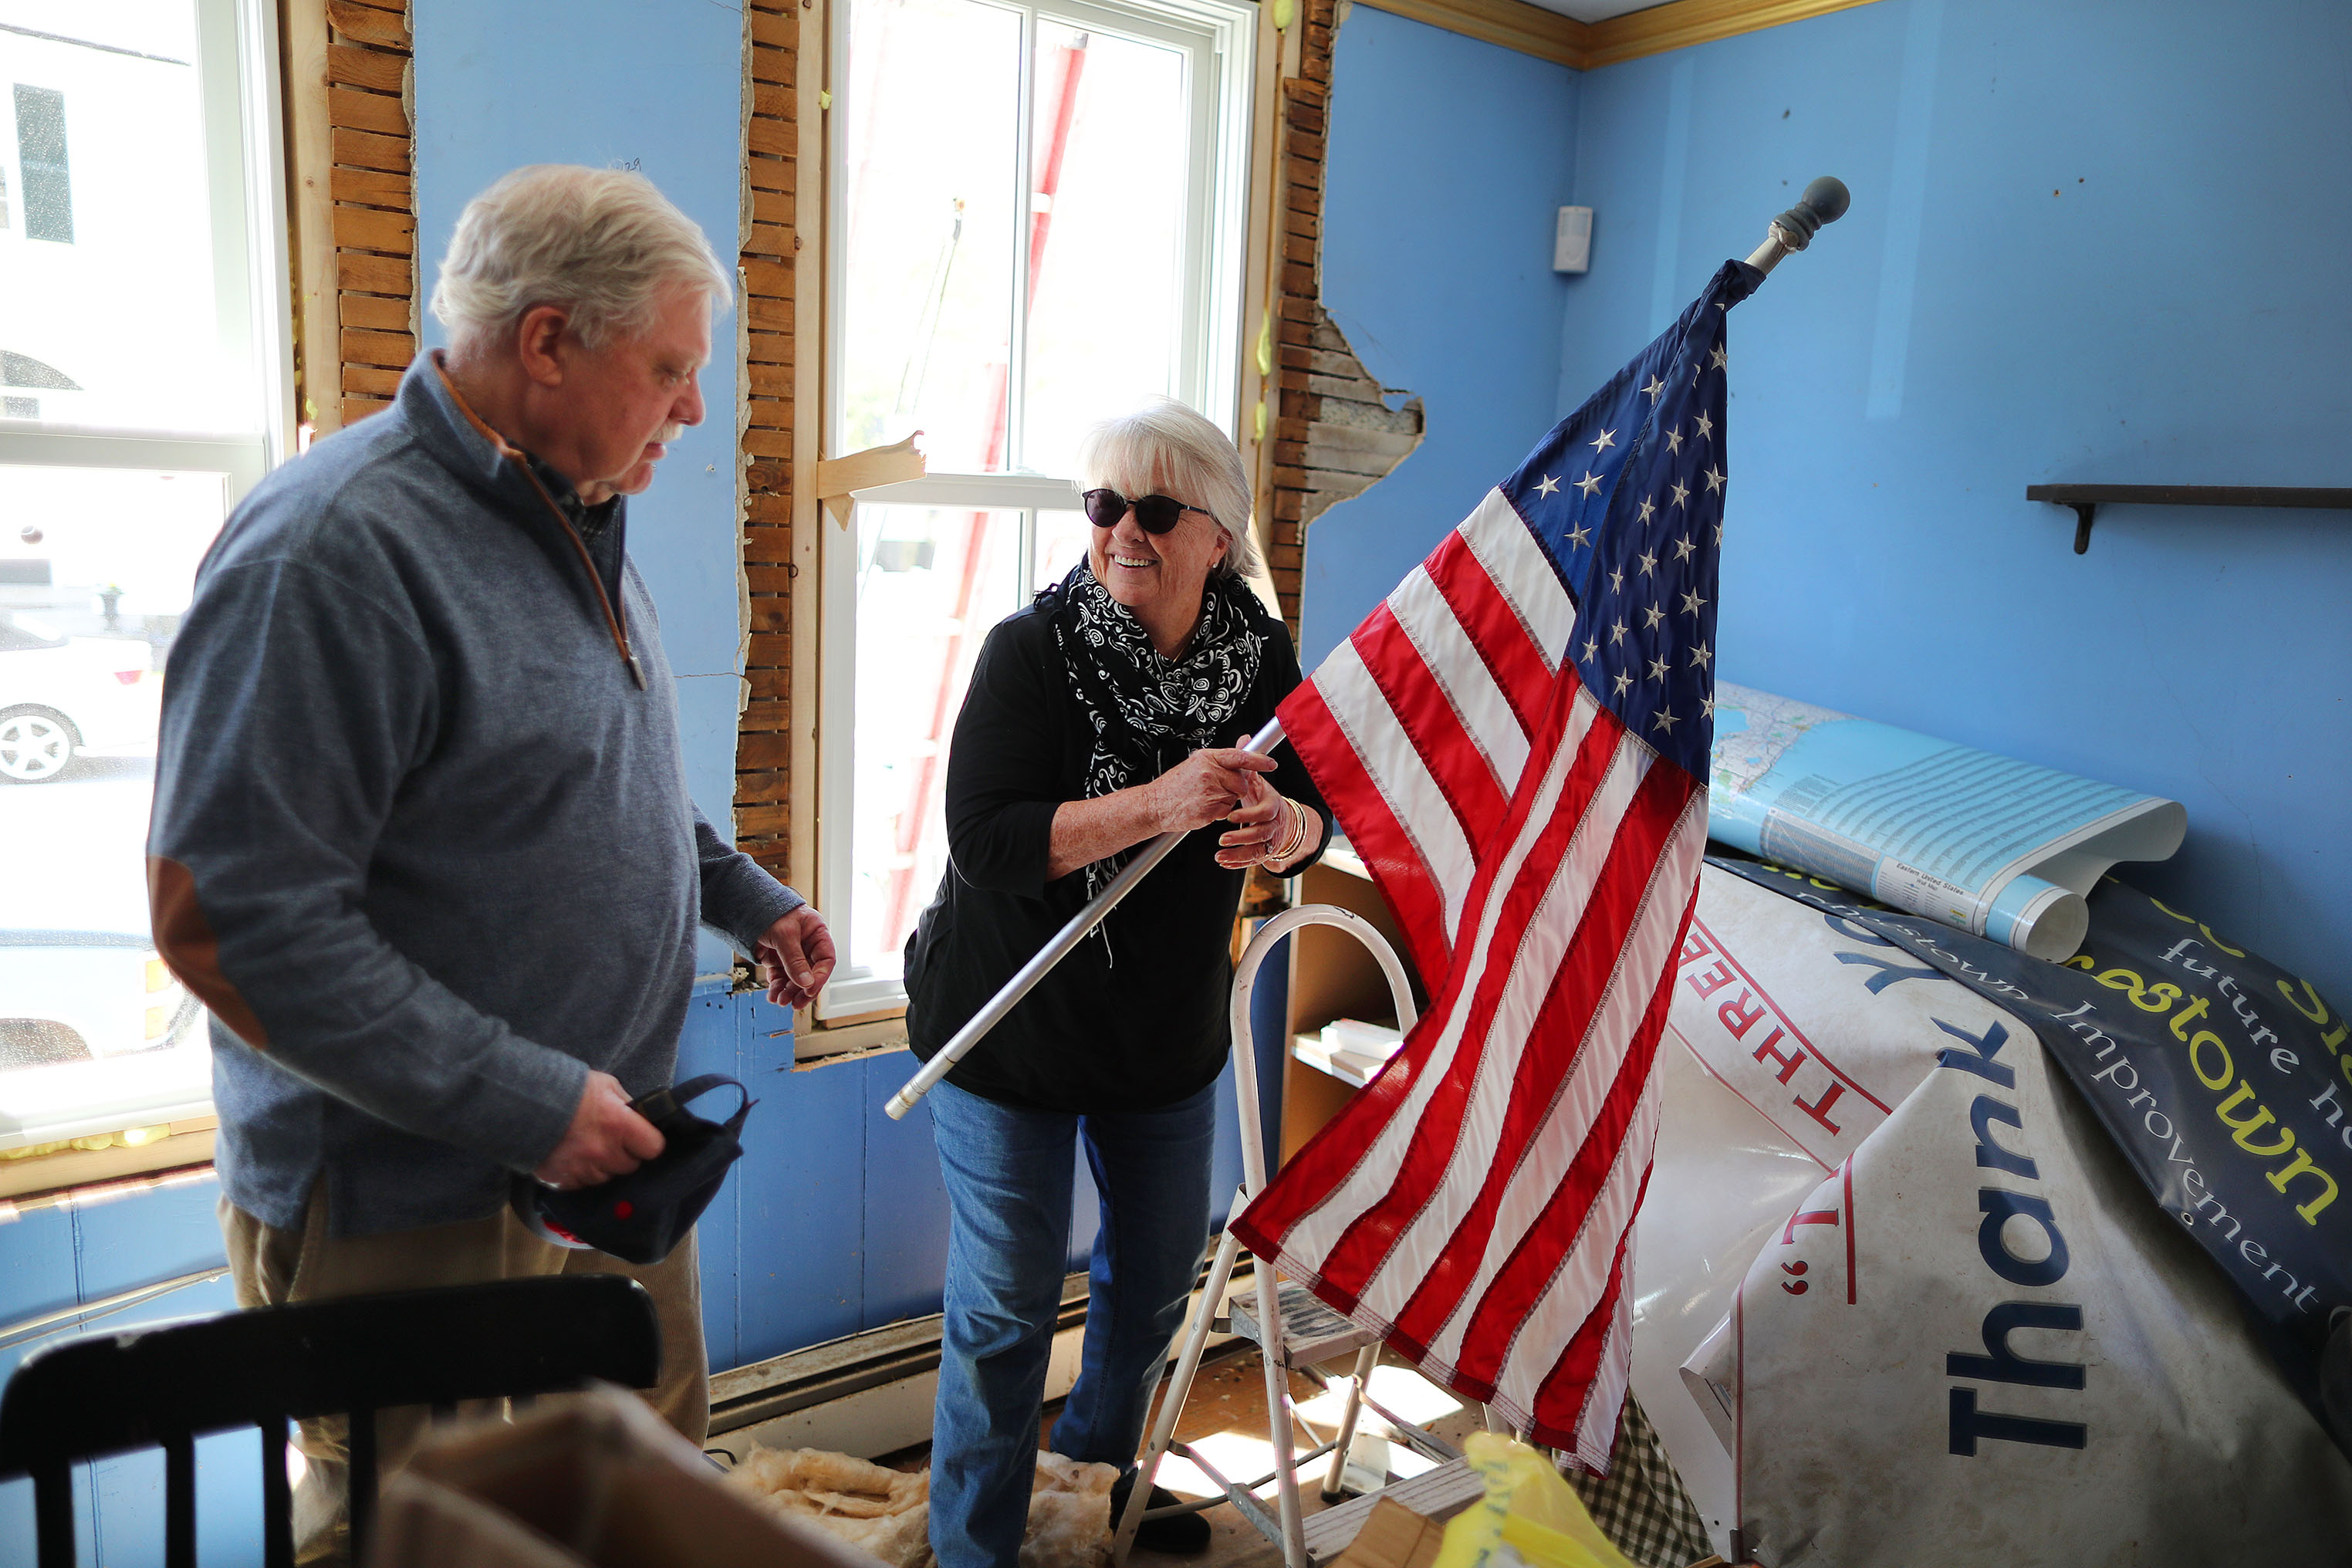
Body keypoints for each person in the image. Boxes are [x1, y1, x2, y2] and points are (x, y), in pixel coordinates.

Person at [146, 165, 834, 1559]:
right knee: (424, 1532)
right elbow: (232, 920)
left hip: (602, 1168)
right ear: (545, 343)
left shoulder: (576, 516)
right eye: (669, 369)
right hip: (413, 1206)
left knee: (632, 1508)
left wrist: (742, 895)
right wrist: (528, 1100)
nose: (694, 411)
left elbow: (586, 789)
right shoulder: (332, 552)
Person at [903, 399, 1330, 1568]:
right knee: (1005, 1309)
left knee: (1149, 1291)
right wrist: (1166, 801)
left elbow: (1323, 809)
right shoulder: (1028, 653)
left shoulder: (1265, 663)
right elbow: (987, 842)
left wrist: (1288, 827)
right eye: (1102, 505)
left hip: (1161, 1038)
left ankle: (1088, 1487)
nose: (1120, 532)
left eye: (1153, 509)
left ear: (1220, 539)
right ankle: (973, 1550)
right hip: (1006, 1031)